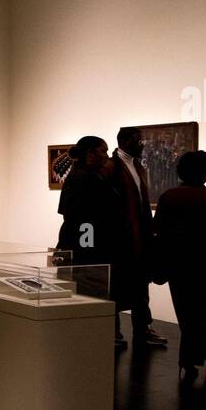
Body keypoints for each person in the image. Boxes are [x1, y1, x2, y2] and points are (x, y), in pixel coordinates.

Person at [153, 150, 206, 382]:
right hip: (205, 263)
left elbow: (157, 228)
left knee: (186, 312)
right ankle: (195, 356)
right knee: (199, 311)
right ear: (205, 173)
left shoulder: (168, 196)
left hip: (176, 263)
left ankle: (196, 356)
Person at [57, 136, 128, 344]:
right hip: (88, 251)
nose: (106, 157)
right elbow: (82, 219)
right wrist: (90, 249)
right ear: (90, 154)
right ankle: (96, 335)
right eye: (103, 152)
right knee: (92, 295)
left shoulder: (82, 177)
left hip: (85, 248)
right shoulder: (84, 179)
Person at [110, 127, 168, 347]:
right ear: (124, 141)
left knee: (141, 284)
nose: (142, 144)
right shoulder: (112, 166)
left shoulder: (136, 166)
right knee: (116, 286)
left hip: (139, 236)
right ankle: (114, 332)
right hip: (121, 238)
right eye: (138, 140)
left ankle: (143, 329)